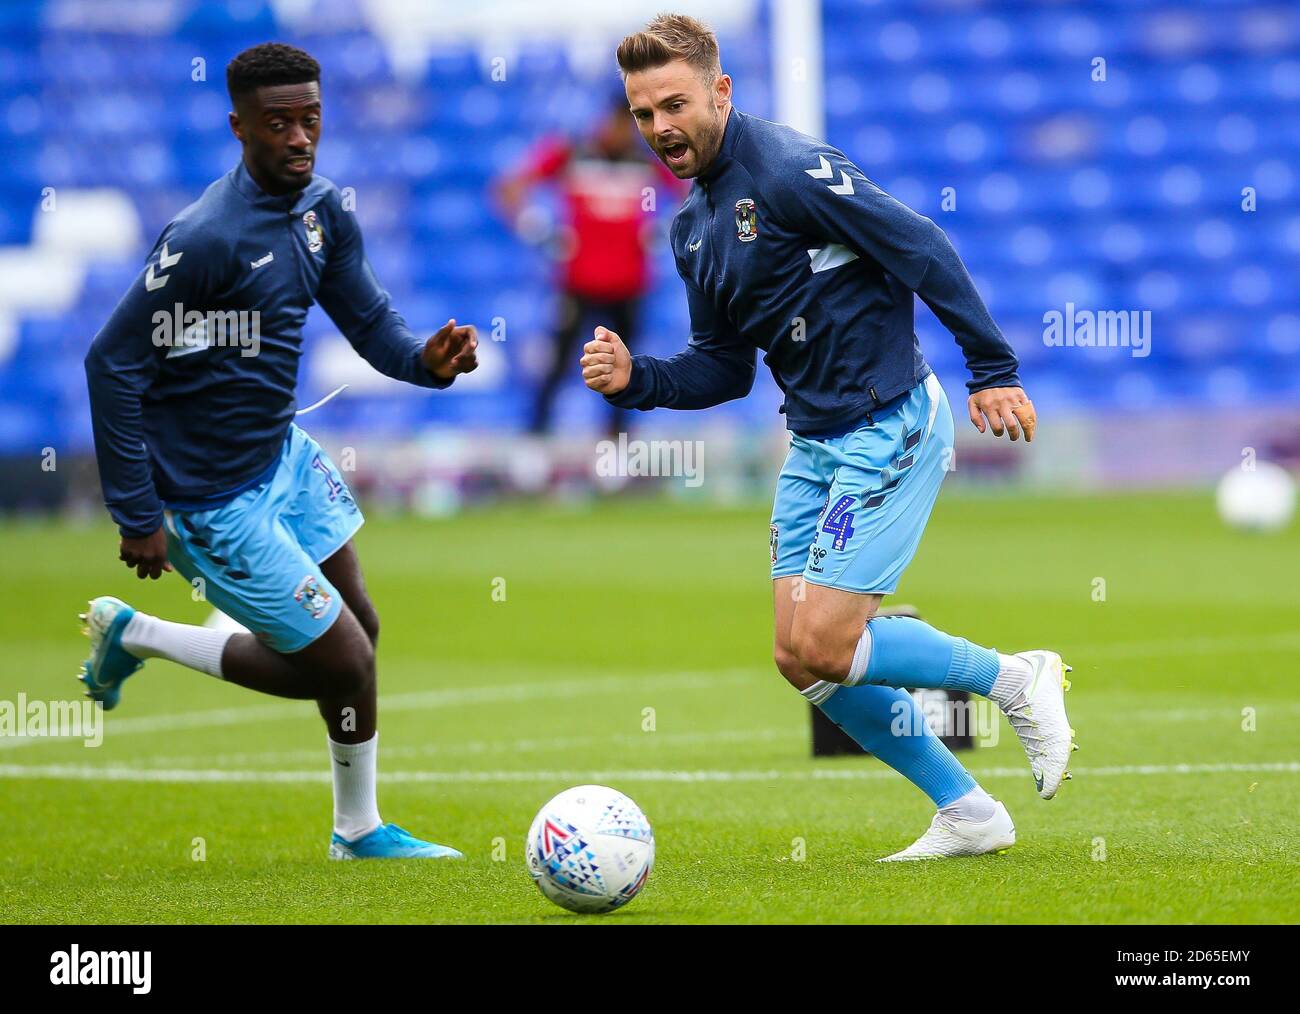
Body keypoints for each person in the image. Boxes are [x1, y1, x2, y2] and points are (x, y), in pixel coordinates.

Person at [582, 15, 1076, 861]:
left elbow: (919, 242)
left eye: (675, 103)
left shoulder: (789, 170)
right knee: (799, 657)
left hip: (888, 424)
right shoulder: (691, 228)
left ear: (720, 91)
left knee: (826, 642)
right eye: (642, 113)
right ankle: (968, 812)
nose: (661, 127)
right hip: (814, 443)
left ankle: (1016, 679)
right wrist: (640, 381)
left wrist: (992, 368)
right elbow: (723, 368)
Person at [79, 43, 478, 861]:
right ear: (239, 128)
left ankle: (355, 830)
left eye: (311, 120)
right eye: (278, 124)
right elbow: (110, 363)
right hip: (210, 496)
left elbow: (370, 324)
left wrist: (426, 364)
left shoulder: (323, 210)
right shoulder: (205, 238)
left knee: (360, 628)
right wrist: (137, 512)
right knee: (343, 663)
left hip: (281, 457)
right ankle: (142, 636)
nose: (300, 138)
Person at [495, 95, 680, 435]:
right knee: (559, 366)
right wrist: (539, 231)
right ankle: (536, 445)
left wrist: (664, 231)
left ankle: (616, 454)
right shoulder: (573, 153)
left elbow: (693, 196)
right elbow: (509, 188)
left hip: (629, 286)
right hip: (578, 284)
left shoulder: (646, 161)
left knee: (624, 372)